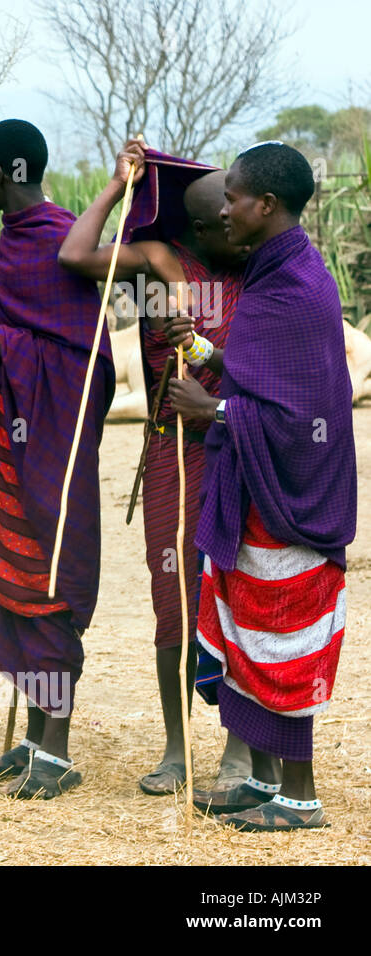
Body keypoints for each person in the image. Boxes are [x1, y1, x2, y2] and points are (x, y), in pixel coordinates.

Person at [166, 141, 355, 831]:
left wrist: (211, 410)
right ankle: (264, 785)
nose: (223, 208)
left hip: (292, 498)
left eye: (233, 197)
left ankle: (299, 800)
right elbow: (266, 372)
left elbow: (300, 413)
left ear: (266, 206)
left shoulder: (297, 287)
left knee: (281, 638)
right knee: (248, 627)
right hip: (260, 489)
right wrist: (208, 353)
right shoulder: (275, 274)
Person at [58, 139, 254, 795]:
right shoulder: (158, 260)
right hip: (174, 449)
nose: (235, 223)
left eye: (238, 210)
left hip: (245, 447)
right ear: (197, 226)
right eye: (222, 216)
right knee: (174, 599)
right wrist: (117, 185)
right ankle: (176, 749)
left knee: (240, 594)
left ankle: (240, 750)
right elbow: (75, 255)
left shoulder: (263, 267)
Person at [0, 119, 113, 799]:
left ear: (3, 173)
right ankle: (27, 743)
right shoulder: (12, 242)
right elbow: (10, 320)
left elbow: (93, 365)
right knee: (10, 586)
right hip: (7, 443)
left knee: (46, 584)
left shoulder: (60, 242)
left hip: (51, 451)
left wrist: (5, 349)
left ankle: (57, 751)